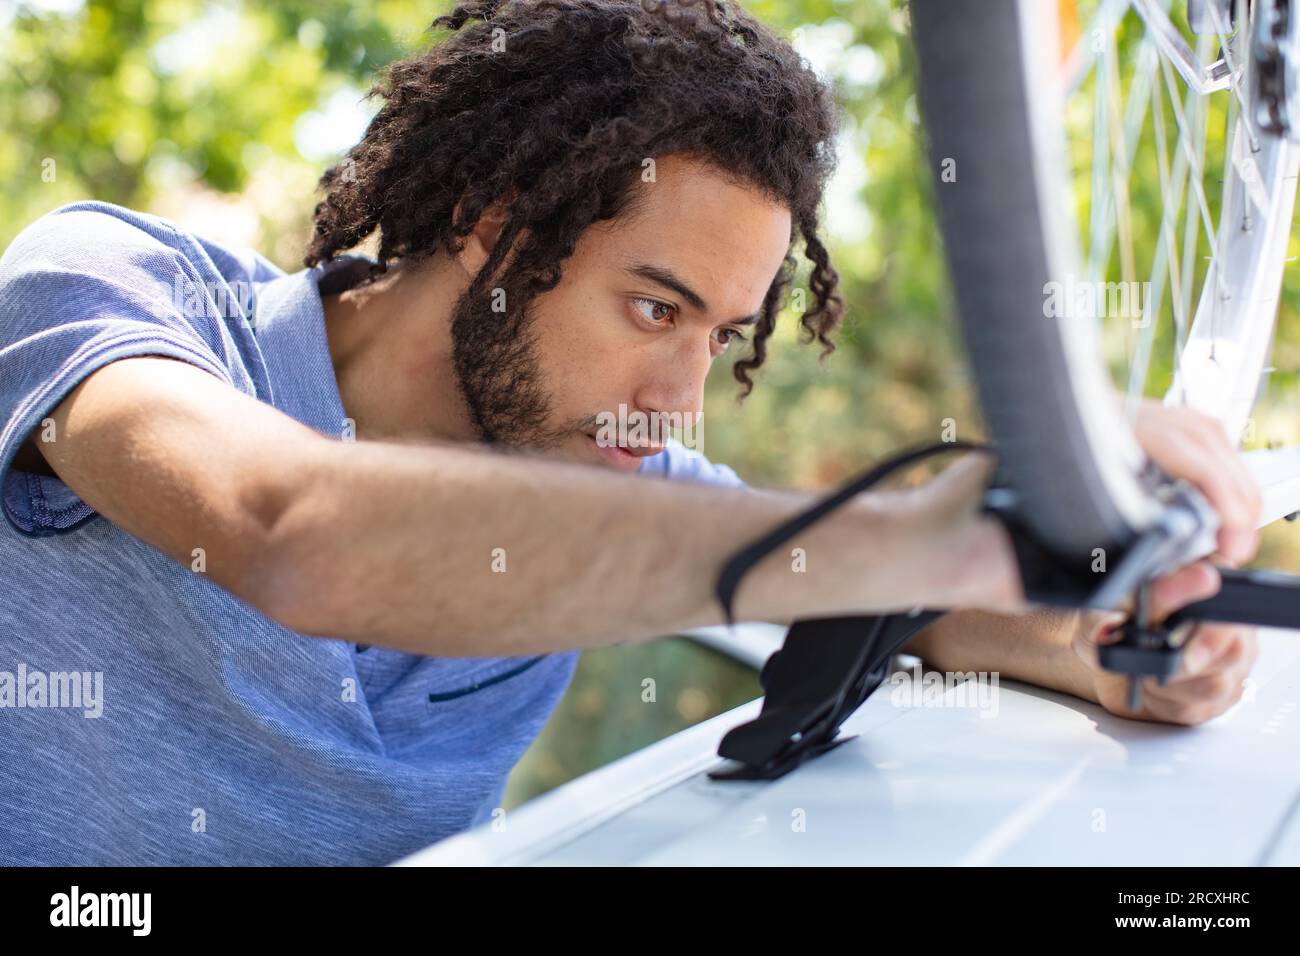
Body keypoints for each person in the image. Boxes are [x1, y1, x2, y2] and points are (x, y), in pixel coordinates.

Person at [0, 0, 1259, 865]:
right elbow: (292, 533)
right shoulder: (116, 286)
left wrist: (1109, 636)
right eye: (655, 306)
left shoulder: (604, 464)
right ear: (491, 222)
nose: (677, 402)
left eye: (717, 335)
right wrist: (923, 530)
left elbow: (892, 596)